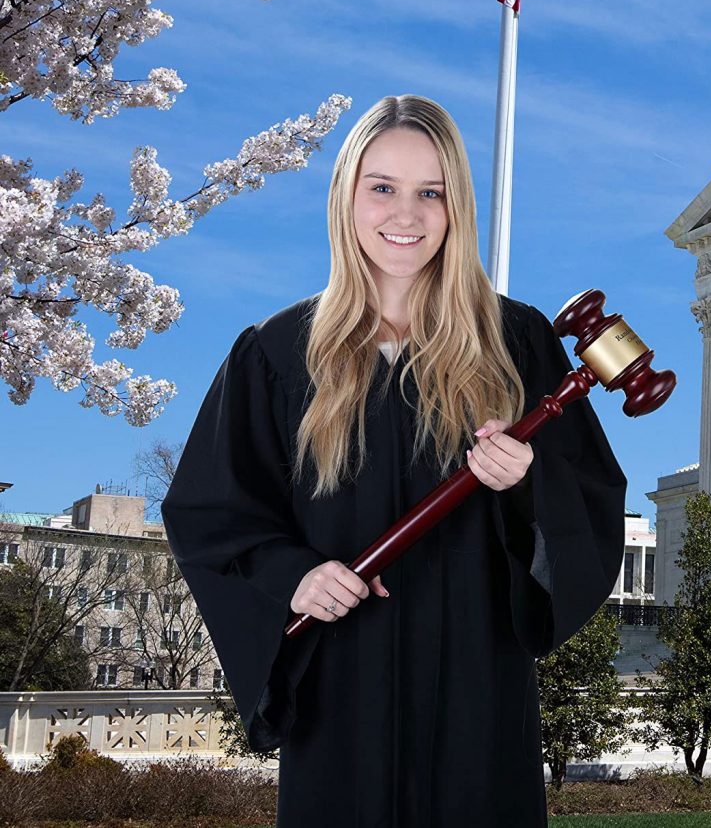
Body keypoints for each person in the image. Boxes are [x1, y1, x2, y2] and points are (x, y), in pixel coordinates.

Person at [160, 95, 628, 827]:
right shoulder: (278, 354)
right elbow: (212, 513)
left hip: (479, 692)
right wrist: (296, 576)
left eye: (430, 192)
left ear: (457, 205)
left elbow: (588, 506)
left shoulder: (518, 342)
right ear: (347, 196)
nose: (405, 215)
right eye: (382, 188)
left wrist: (525, 486)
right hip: (343, 698)